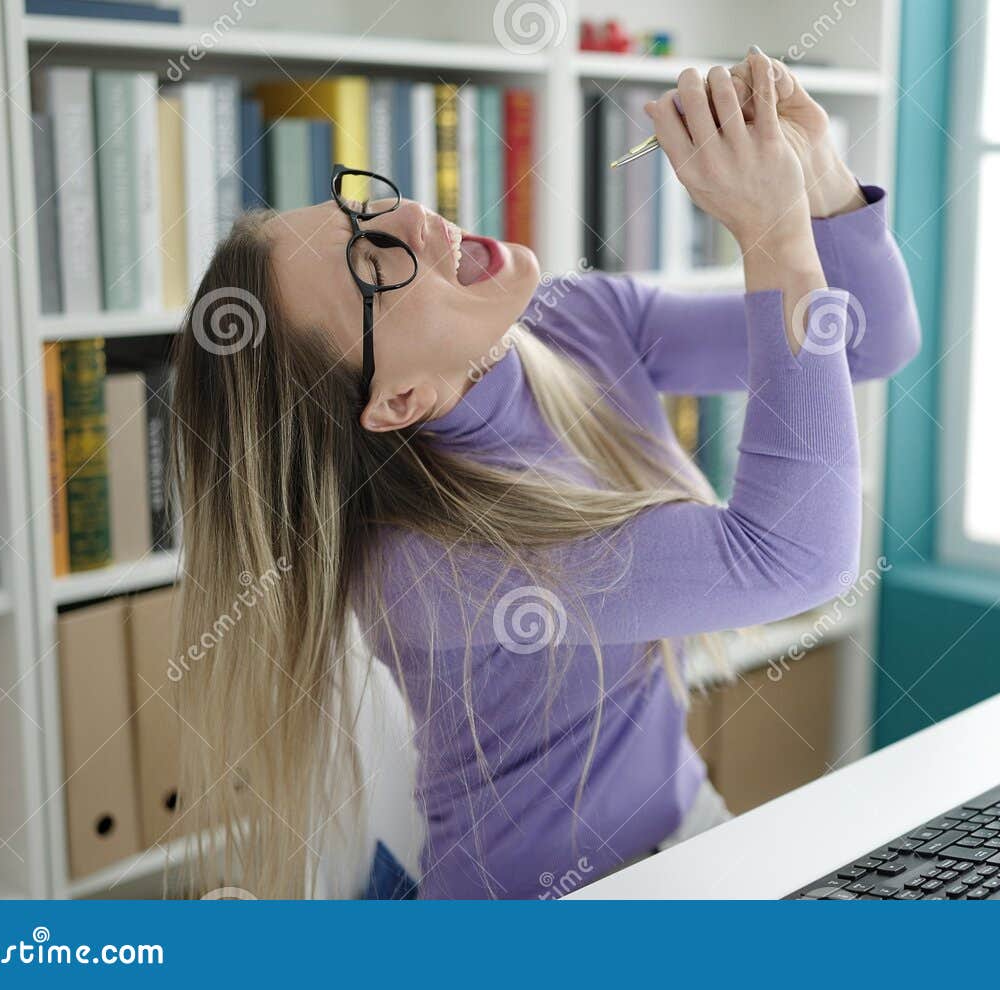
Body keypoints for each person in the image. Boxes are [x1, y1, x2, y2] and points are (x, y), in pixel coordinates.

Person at [169, 49, 919, 898]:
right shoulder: (436, 564)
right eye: (375, 263)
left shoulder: (573, 322)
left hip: (692, 831)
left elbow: (870, 341)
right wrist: (773, 234)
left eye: (365, 205)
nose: (413, 215)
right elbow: (797, 558)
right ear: (400, 399)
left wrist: (815, 168)